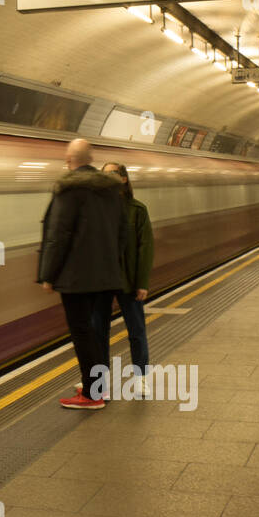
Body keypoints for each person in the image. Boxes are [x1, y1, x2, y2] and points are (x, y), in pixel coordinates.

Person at [37, 139, 126, 409]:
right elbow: (122, 232)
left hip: (77, 277)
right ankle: (98, 386)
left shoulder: (69, 189)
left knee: (82, 333)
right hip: (107, 274)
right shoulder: (111, 191)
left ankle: (91, 394)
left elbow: (58, 234)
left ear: (69, 159)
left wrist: (48, 274)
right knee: (96, 332)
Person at [101, 162, 155, 397]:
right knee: (97, 333)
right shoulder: (97, 209)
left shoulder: (137, 209)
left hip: (129, 281)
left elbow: (146, 247)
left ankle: (141, 377)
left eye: (112, 174)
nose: (107, 178)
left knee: (136, 330)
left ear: (124, 179)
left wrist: (142, 282)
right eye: (104, 175)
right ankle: (96, 380)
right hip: (101, 281)